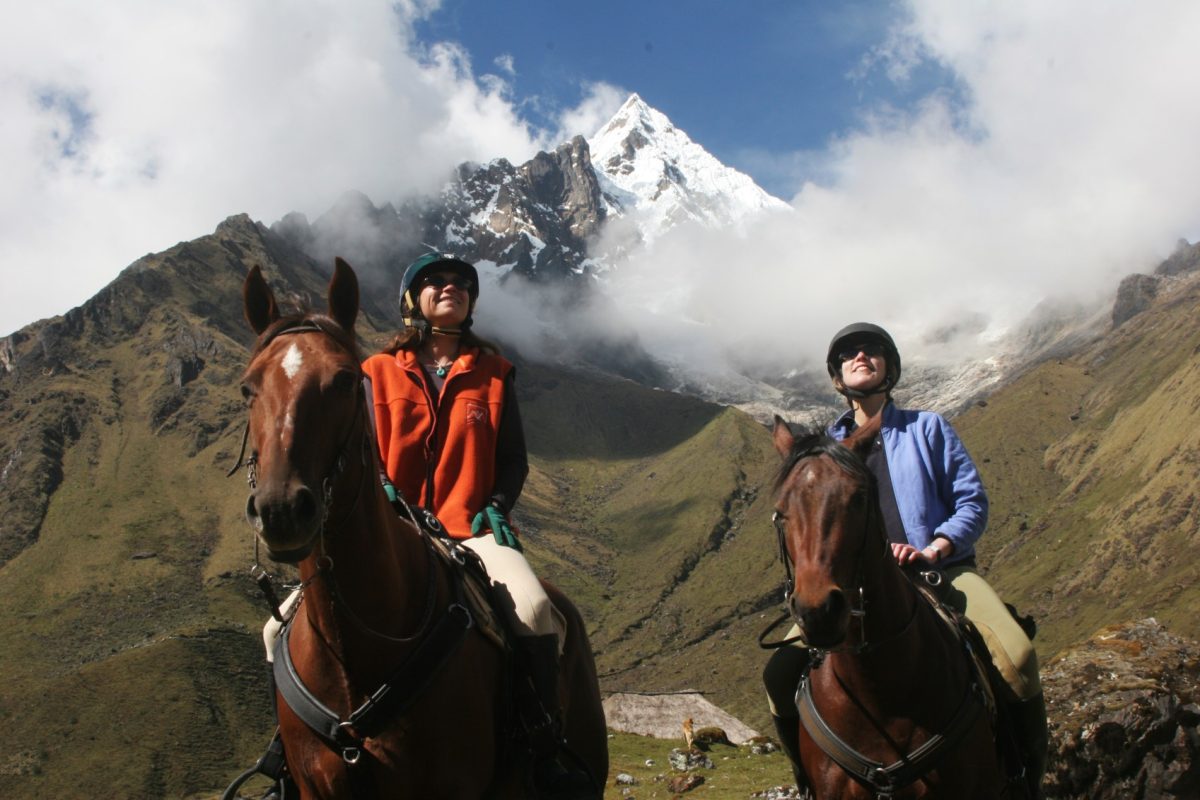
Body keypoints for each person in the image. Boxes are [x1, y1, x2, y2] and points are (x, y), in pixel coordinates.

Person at [762, 322, 1048, 797]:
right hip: (852, 585)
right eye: (849, 353)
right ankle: (808, 780)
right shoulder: (825, 453)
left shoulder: (928, 428)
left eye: (872, 350)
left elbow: (971, 502)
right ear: (837, 377)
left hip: (939, 573)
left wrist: (936, 546)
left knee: (1016, 657)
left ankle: (1024, 777)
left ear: (888, 368)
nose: (861, 356)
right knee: (778, 676)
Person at [359, 252, 590, 798]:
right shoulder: (376, 372)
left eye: (461, 284)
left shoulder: (495, 373)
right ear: (410, 300)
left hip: (469, 532)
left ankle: (543, 746)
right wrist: (380, 487)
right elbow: (360, 449)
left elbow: (513, 460)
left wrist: (498, 502)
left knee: (535, 610)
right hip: (390, 534)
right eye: (434, 282)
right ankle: (288, 755)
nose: (450, 288)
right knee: (280, 629)